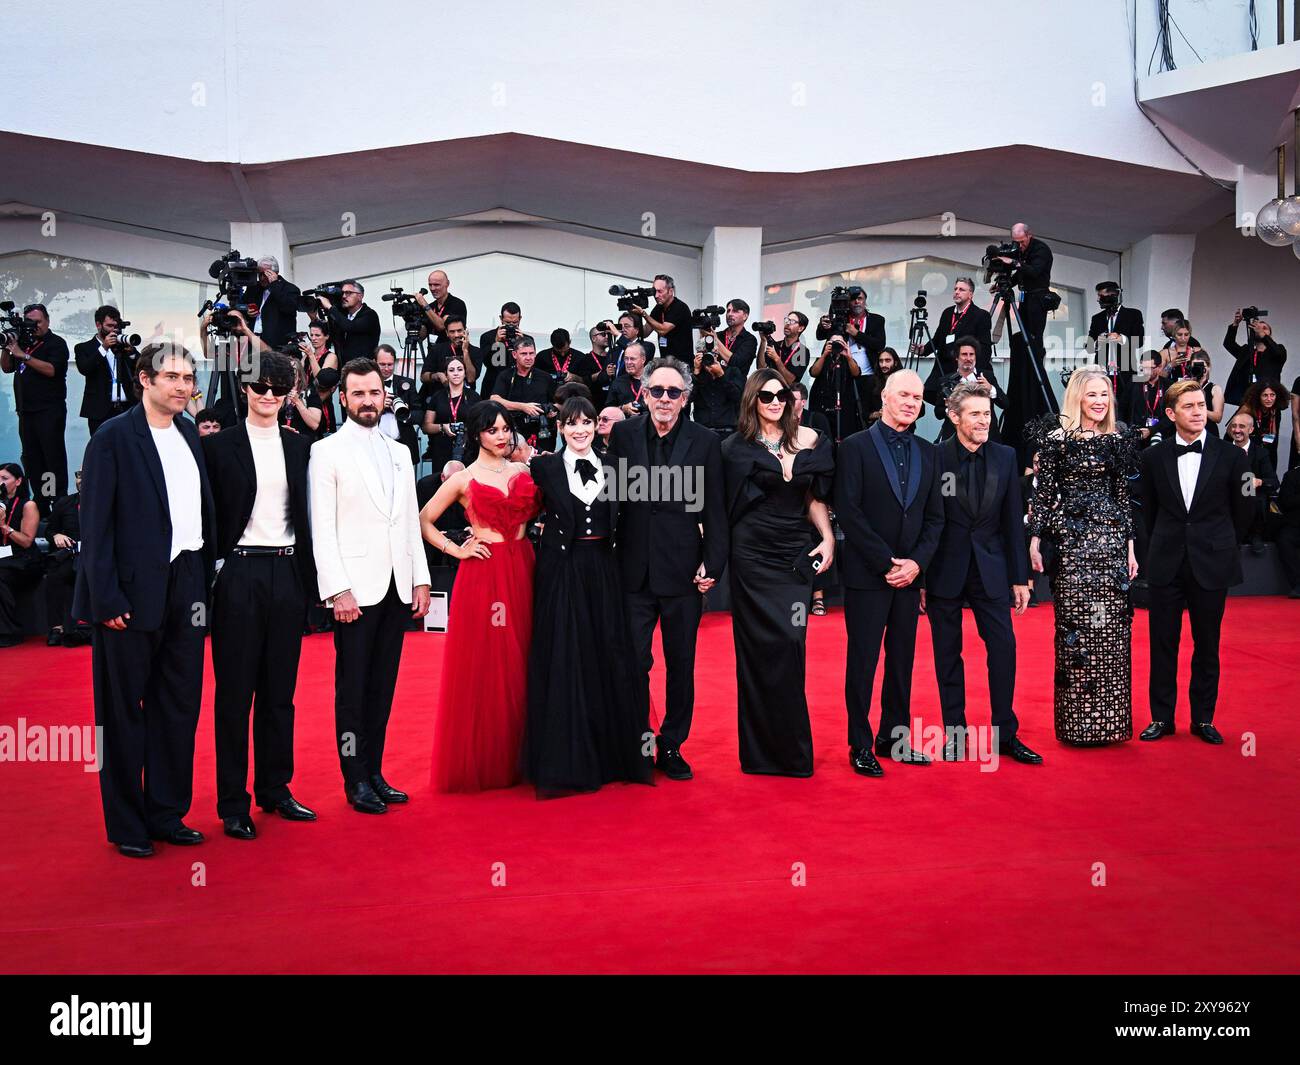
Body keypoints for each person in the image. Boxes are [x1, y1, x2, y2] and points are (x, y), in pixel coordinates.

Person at [72, 340, 217, 857]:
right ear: (144, 379)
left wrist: (204, 579)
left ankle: (166, 813)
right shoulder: (111, 439)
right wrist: (104, 599)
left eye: (187, 378)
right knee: (122, 713)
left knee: (178, 706)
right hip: (128, 598)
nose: (182, 386)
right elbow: (97, 527)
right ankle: (128, 825)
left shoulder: (186, 432)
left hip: (187, 586)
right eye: (172, 377)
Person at [309, 357, 431, 814]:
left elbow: (407, 523)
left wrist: (420, 578)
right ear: (343, 399)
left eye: (374, 393)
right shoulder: (326, 451)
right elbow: (323, 527)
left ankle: (375, 771)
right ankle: (353, 779)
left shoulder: (399, 452)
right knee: (353, 689)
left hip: (398, 587)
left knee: (383, 687)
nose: (366, 401)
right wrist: (337, 589)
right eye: (357, 393)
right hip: (355, 592)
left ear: (385, 396)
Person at [522, 397, 655, 795]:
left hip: (605, 570)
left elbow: (637, 520)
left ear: (598, 425)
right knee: (567, 656)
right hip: (563, 572)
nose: (579, 430)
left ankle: (611, 756)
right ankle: (568, 761)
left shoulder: (616, 468)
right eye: (571, 423)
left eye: (587, 422)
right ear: (560, 427)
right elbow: (516, 505)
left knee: (609, 654)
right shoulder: (543, 467)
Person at [606, 357, 729, 780]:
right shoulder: (623, 435)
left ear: (685, 398)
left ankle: (671, 744)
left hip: (682, 572)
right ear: (643, 394)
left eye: (673, 392)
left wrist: (712, 562)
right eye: (656, 391)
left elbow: (715, 509)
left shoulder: (706, 441)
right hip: (633, 571)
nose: (663, 399)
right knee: (634, 661)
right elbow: (611, 498)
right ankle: (638, 741)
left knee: (680, 664)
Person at [422, 401, 541, 791]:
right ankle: (492, 760)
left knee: (525, 660)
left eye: (506, 429)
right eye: (493, 430)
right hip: (485, 573)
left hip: (524, 566)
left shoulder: (524, 470)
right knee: (490, 665)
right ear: (476, 435)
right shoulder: (463, 478)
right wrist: (456, 550)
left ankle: (527, 755)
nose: (502, 436)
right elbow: (424, 520)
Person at [722, 371, 834, 776]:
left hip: (794, 555)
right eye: (766, 395)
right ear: (753, 399)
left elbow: (814, 496)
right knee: (755, 652)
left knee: (791, 643)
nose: (774, 401)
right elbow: (720, 506)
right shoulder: (735, 448)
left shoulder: (811, 439)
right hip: (751, 556)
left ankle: (791, 751)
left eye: (781, 394)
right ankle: (759, 755)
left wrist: (827, 537)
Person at [834, 369, 945, 776]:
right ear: (884, 396)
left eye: (917, 398)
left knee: (902, 661)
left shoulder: (929, 452)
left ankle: (894, 738)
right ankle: (860, 743)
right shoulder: (855, 448)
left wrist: (916, 564)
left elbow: (936, 518)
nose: (912, 403)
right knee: (862, 661)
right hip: (868, 575)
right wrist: (887, 563)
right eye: (904, 395)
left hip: (909, 576)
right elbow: (850, 511)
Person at [924, 382, 1041, 764]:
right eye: (975, 414)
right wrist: (923, 578)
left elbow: (1012, 521)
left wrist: (1020, 578)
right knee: (947, 654)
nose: (983, 420)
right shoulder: (935, 458)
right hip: (945, 569)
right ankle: (954, 734)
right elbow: (928, 522)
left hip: (990, 568)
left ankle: (1006, 733)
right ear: (954, 417)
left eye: (987, 414)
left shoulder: (1006, 457)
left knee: (1004, 649)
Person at [1027, 367, 1140, 745]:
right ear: (1077, 397)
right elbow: (1043, 496)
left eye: (1105, 395)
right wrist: (1034, 541)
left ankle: (1110, 723)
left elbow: (1123, 499)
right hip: (1073, 550)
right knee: (1075, 633)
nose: (1100, 401)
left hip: (1110, 547)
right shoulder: (1056, 440)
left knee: (1111, 635)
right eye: (1092, 394)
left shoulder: (1119, 440)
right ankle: (1077, 725)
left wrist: (1130, 547)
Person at [1138, 379, 1253, 744]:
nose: (1198, 412)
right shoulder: (1152, 458)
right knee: (1162, 643)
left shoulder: (1233, 456)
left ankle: (1203, 719)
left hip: (1211, 561)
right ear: (1171, 414)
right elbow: (1147, 513)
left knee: (1208, 643)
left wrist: (1223, 543)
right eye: (1189, 406)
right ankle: (1162, 718)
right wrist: (1153, 550)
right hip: (1166, 562)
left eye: (1201, 405)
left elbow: (1245, 509)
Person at [1, 302, 70, 516]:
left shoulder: (56, 343)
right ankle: (40, 503)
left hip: (49, 411)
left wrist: (24, 355)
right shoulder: (22, 342)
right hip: (26, 411)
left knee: (52, 459)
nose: (34, 326)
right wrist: (7, 346)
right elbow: (6, 367)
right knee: (33, 459)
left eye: (38, 322)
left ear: (47, 321)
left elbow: (52, 370)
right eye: (30, 322)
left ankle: (56, 503)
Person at [923, 337, 1004, 442]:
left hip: (986, 437)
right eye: (964, 354)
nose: (968, 358)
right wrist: (950, 408)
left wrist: (991, 389)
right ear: (957, 357)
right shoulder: (946, 380)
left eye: (972, 354)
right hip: (954, 439)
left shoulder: (987, 376)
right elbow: (938, 413)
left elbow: (1005, 403)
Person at [43, 470, 90, 647]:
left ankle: (88, 627)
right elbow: (49, 530)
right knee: (55, 577)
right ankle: (57, 628)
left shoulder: (107, 501)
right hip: (71, 555)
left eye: (86, 474)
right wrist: (56, 535)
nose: (81, 479)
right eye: (79, 475)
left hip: (97, 556)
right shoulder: (65, 503)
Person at [75, 305, 138, 435]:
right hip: (100, 410)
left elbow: (142, 367)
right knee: (102, 450)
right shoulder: (83, 347)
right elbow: (85, 368)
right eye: (109, 326)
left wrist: (132, 353)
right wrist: (103, 348)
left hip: (128, 407)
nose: (113, 330)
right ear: (98, 325)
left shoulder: (123, 346)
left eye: (116, 326)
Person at [1086, 281, 1145, 414]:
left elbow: (1140, 341)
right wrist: (1097, 343)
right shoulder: (1097, 318)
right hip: (1102, 372)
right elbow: (1088, 347)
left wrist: (1122, 339)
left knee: (1126, 407)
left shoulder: (1133, 314)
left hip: (1125, 371)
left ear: (1113, 295)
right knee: (1103, 406)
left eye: (1101, 296)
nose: (1098, 299)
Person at [0, 462, 42, 648]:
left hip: (24, 560)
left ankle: (9, 631)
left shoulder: (28, 505)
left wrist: (4, 527)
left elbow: (26, 541)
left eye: (4, 479)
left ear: (18, 481)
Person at [1225, 410, 1277, 553]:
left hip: (1250, 496)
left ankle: (1255, 534)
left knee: (1255, 496)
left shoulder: (1261, 453)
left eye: (1241, 426)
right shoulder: (1222, 450)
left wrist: (1258, 482)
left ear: (1251, 429)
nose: (1236, 430)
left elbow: (1273, 482)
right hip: (1226, 494)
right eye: (1233, 426)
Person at [922, 276, 993, 378]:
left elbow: (985, 349)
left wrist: (974, 373)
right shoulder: (947, 312)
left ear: (971, 294)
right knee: (928, 392)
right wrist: (923, 350)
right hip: (942, 367)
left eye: (961, 289)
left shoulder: (980, 315)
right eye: (955, 289)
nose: (957, 292)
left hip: (965, 368)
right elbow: (938, 339)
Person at [422, 353, 480, 472]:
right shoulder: (437, 397)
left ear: (464, 373)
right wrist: (443, 427)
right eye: (451, 370)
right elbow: (426, 426)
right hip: (442, 448)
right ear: (446, 374)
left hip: (468, 449)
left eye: (459, 369)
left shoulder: (474, 397)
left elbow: (480, 425)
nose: (456, 373)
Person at [815, 285, 885, 375]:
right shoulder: (839, 318)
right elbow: (820, 336)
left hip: (869, 373)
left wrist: (856, 334)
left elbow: (880, 345)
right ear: (847, 302)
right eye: (853, 299)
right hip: (843, 373)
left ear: (865, 301)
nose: (857, 302)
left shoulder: (877, 320)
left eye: (860, 298)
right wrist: (822, 326)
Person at [1223, 309, 1286, 405]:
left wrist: (1263, 336)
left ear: (1270, 335)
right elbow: (1229, 344)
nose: (1260, 329)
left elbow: (1278, 354)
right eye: (1258, 327)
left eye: (1264, 328)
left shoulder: (1278, 350)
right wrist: (1235, 324)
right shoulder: (1247, 351)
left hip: (1268, 401)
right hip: (1248, 401)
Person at [808, 333, 863, 443]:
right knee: (825, 436)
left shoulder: (848, 360)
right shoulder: (823, 358)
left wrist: (848, 356)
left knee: (845, 436)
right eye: (834, 342)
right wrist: (824, 354)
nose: (837, 345)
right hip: (824, 404)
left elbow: (856, 373)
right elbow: (813, 372)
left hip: (844, 405)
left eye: (840, 342)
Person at [313, 280, 381, 363]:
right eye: (343, 293)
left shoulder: (369, 315)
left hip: (363, 370)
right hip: (343, 370)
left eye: (348, 293)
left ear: (360, 296)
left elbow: (349, 327)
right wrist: (313, 317)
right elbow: (328, 338)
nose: (344, 296)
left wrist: (330, 307)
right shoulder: (342, 316)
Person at [632, 274, 693, 361]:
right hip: (666, 361)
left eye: (660, 291)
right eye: (654, 291)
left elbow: (663, 330)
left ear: (671, 291)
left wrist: (643, 314)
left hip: (682, 363)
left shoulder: (679, 307)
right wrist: (634, 315)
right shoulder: (658, 308)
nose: (656, 296)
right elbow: (645, 332)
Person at [477, 301, 528, 399]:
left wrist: (522, 344)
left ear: (520, 319)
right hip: (493, 385)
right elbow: (487, 363)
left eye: (515, 323)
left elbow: (528, 364)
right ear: (501, 319)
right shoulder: (487, 337)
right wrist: (497, 343)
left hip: (518, 386)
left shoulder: (527, 340)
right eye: (508, 323)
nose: (511, 326)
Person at [251, 256, 301, 350]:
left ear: (275, 273)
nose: (261, 278)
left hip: (276, 345)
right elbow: (243, 304)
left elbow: (288, 308)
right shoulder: (255, 288)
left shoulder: (290, 289)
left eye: (265, 274)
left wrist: (275, 285)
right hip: (254, 342)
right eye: (259, 274)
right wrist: (248, 310)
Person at [1240, 381, 1288, 476]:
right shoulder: (1248, 408)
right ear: (1258, 396)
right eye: (1265, 395)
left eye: (1272, 395)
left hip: (1265, 450)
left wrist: (1273, 418)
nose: (1269, 399)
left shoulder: (1275, 410)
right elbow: (1231, 430)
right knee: (1248, 486)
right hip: (1247, 451)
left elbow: (1272, 436)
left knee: (1268, 481)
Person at [757, 311, 812, 387]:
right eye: (787, 320)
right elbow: (760, 368)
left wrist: (776, 359)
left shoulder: (802, 351)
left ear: (800, 328)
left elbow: (790, 381)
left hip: (786, 394)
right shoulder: (776, 345)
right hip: (770, 388)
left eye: (792, 321)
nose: (788, 323)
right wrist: (763, 341)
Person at [414, 268, 468, 343]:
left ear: (447, 284)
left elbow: (441, 326)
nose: (432, 288)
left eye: (436, 285)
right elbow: (421, 336)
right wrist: (409, 317)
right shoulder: (430, 307)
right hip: (433, 352)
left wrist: (424, 303)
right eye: (430, 285)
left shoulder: (457, 304)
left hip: (451, 352)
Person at [858, 346, 900, 425]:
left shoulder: (904, 380)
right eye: (881, 361)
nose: (883, 364)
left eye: (887, 361)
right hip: (879, 428)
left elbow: (921, 410)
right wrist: (878, 414)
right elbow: (864, 413)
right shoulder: (871, 382)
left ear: (895, 363)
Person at [1275, 464, 1300, 596]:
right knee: (1285, 541)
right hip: (1295, 525)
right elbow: (1285, 501)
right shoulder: (1292, 476)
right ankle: (1297, 584)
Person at [606, 340, 649, 416]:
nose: (628, 362)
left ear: (643, 360)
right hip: (625, 425)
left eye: (632, 359)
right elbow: (608, 411)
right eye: (626, 359)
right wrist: (623, 408)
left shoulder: (654, 380)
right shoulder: (618, 382)